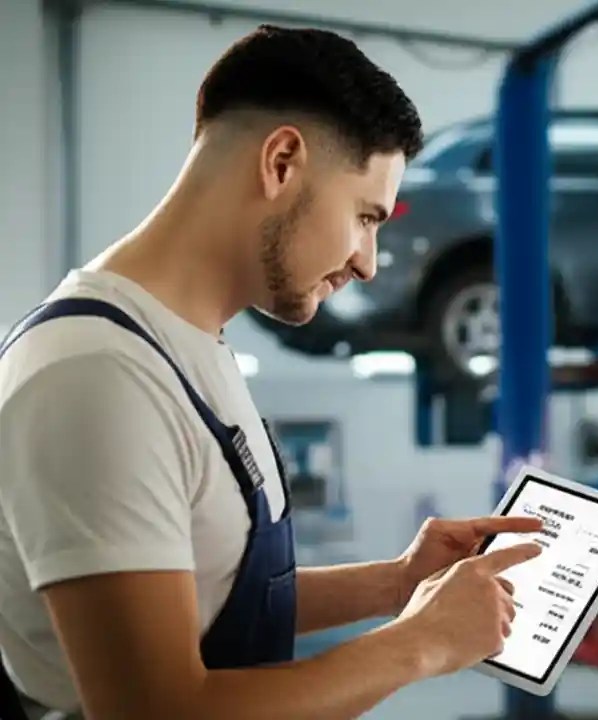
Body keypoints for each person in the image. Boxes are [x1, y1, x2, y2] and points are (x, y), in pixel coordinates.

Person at [0, 25, 545, 719]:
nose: (368, 261)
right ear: (282, 161)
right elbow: (158, 709)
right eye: (366, 216)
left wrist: (400, 582)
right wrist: (419, 645)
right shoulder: (96, 376)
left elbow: (212, 591)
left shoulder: (186, 347)